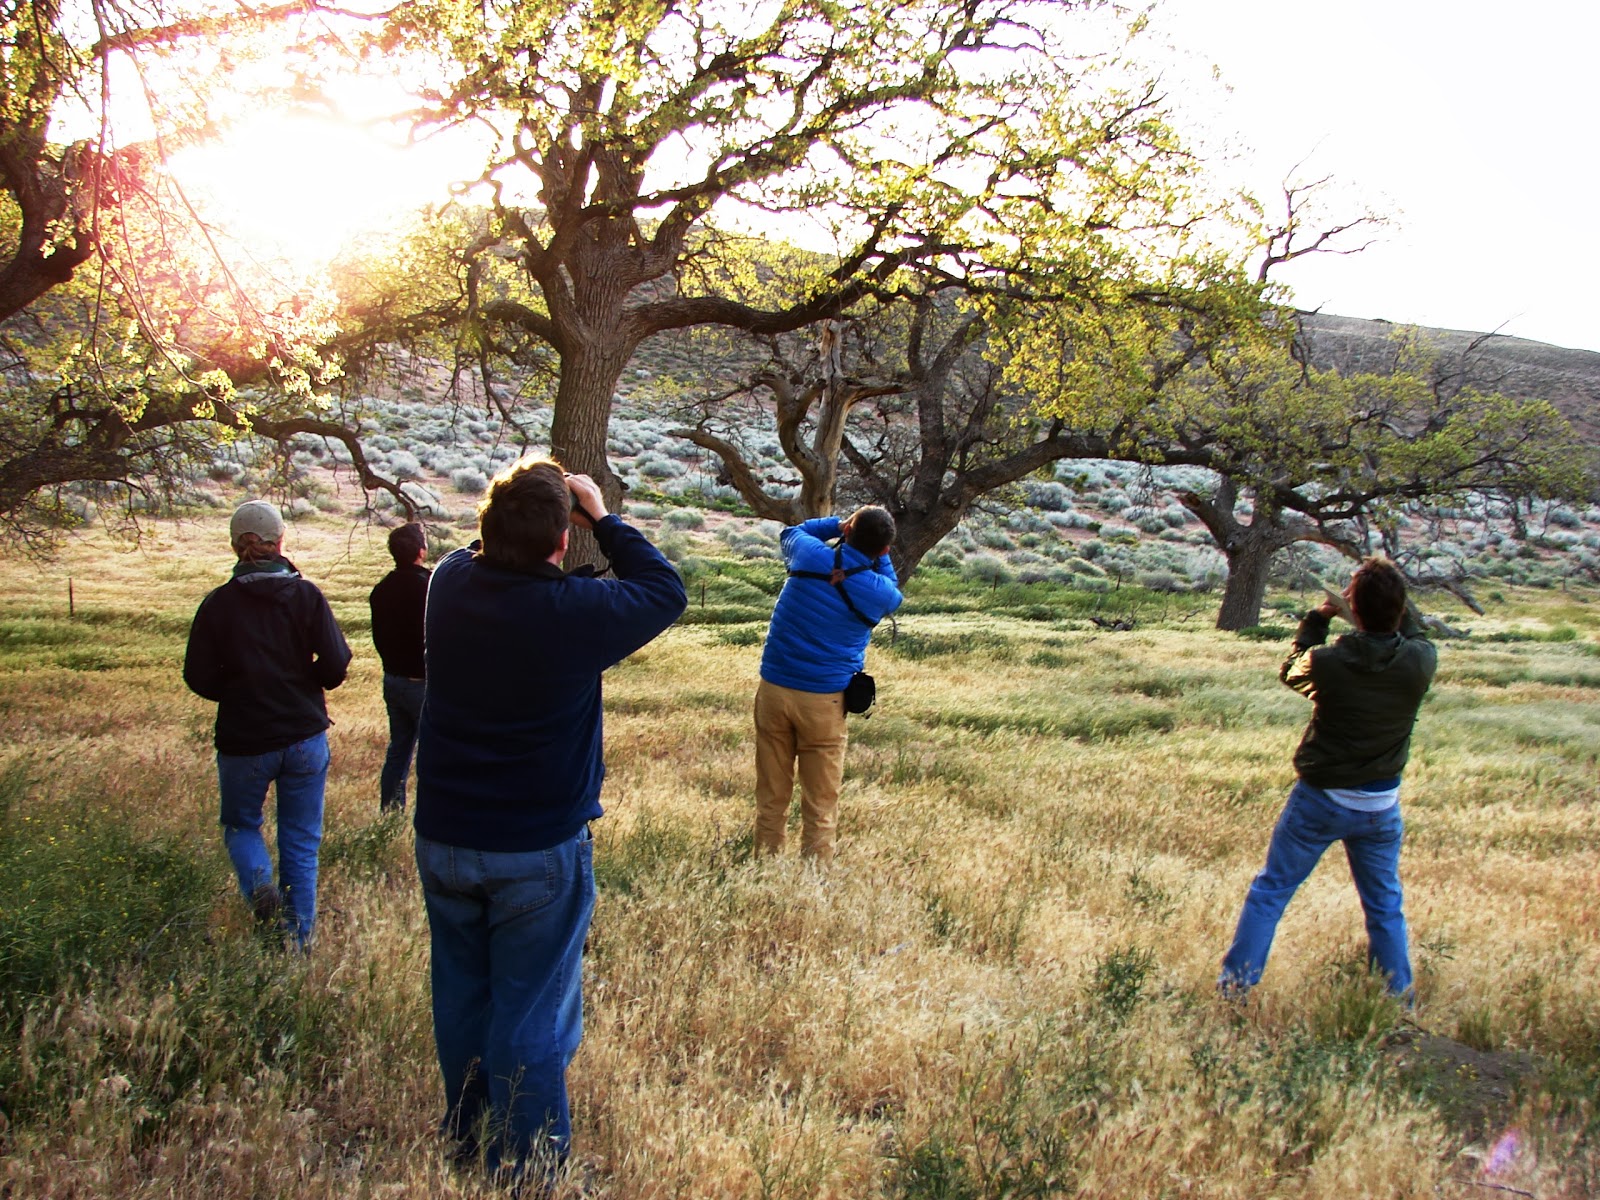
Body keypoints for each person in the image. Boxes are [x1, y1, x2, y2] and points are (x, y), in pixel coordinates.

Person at [414, 458, 686, 1187]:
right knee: (531, 1010)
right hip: (535, 845)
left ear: (487, 528)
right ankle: (529, 1169)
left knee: (462, 995)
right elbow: (665, 590)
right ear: (564, 541)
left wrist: (538, 504)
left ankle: (468, 1137)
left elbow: (478, 551)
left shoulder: (449, 583)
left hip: (444, 835)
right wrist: (602, 513)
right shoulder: (574, 614)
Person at [1219, 557, 1437, 999]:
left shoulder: (1329, 663)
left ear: (1352, 608)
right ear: (1400, 610)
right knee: (1384, 905)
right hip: (1380, 805)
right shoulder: (1420, 662)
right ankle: (1399, 996)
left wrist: (1319, 619)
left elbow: (1291, 671)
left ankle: (1237, 986)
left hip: (1321, 800)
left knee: (1272, 890)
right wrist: (1385, 605)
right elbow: (1413, 634)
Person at [183, 500, 352, 949]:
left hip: (244, 738)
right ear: (280, 542)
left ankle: (260, 886)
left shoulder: (218, 604)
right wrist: (306, 682)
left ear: (235, 545)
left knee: (241, 826)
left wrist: (238, 692)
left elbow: (196, 675)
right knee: (300, 840)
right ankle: (296, 943)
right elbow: (336, 662)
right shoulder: (306, 595)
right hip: (303, 734)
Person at [754, 507, 903, 863]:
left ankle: (764, 865)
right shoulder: (880, 592)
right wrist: (879, 556)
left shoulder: (808, 554)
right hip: (825, 700)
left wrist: (836, 525)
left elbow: (793, 530)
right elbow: (892, 589)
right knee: (821, 799)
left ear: (848, 530)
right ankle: (815, 873)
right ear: (884, 549)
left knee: (771, 792)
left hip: (774, 688)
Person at [369, 522, 430, 813]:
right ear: (421, 551)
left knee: (399, 749)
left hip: (393, 679)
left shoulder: (380, 590)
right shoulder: (428, 588)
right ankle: (432, 813)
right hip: (423, 683)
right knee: (434, 753)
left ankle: (391, 810)